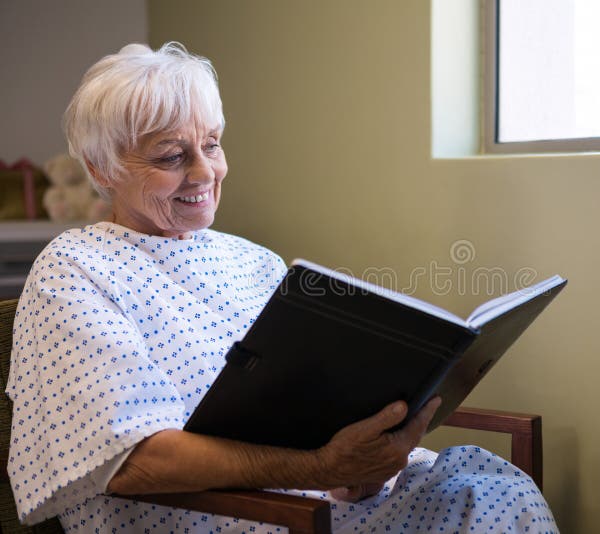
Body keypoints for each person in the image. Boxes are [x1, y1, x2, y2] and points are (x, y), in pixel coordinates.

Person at [7, 42, 559, 533]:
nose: (204, 173)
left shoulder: (254, 261)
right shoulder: (75, 270)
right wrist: (321, 468)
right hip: (240, 517)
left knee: (494, 492)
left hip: (331, 502)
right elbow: (133, 459)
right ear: (102, 169)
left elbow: (315, 406)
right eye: (171, 156)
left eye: (212, 144)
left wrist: (363, 463)